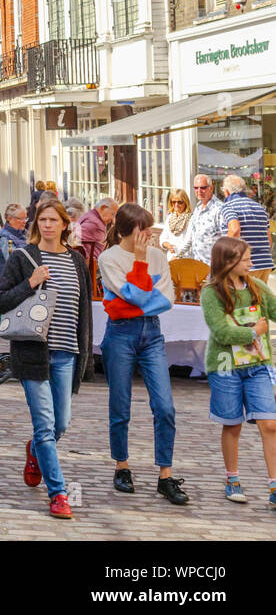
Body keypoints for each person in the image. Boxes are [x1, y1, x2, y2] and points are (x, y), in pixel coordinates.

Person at [0, 199, 93, 520]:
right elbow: (1, 300)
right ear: (36, 224)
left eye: (54, 220)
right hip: (33, 353)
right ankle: (59, 494)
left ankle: (35, 451)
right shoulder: (23, 258)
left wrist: (85, 354)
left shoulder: (78, 261)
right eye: (43, 220)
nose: (48, 225)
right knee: (46, 426)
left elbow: (84, 313)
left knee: (60, 424)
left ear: (65, 224)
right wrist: (31, 283)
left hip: (67, 353)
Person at [97, 203, 188, 504]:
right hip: (120, 334)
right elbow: (134, 296)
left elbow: (165, 300)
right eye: (143, 228)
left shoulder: (158, 256)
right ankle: (122, 466)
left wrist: (133, 300)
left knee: (165, 407)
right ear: (127, 230)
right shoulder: (109, 258)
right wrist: (138, 265)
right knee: (120, 405)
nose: (148, 233)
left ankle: (165, 474)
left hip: (151, 333)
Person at [200, 236, 276, 507]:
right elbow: (221, 330)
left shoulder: (256, 286)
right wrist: (253, 331)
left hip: (257, 365)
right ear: (229, 262)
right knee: (232, 425)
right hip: (225, 367)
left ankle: (274, 486)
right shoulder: (211, 293)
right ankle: (232, 478)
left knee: (270, 423)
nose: (251, 264)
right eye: (246, 260)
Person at [220, 174, 275, 282]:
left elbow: (235, 230)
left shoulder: (229, 206)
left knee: (240, 298)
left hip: (244, 265)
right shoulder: (259, 207)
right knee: (260, 298)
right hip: (264, 264)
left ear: (226, 191)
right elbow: (268, 240)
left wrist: (224, 256)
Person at [178, 174, 227, 264]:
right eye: (196, 188)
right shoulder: (198, 208)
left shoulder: (219, 209)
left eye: (203, 188)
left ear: (211, 188)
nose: (199, 191)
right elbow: (191, 237)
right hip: (198, 265)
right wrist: (178, 254)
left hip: (214, 266)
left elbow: (227, 238)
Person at [78, 197, 116, 267]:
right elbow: (76, 239)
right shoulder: (95, 223)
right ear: (103, 208)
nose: (113, 220)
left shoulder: (90, 215)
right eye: (112, 214)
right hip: (88, 267)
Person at [159, 188, 191, 257]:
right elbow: (163, 238)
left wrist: (177, 256)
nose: (176, 204)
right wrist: (167, 245)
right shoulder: (170, 218)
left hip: (186, 257)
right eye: (173, 202)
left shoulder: (191, 219)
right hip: (171, 256)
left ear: (185, 202)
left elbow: (189, 242)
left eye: (180, 202)